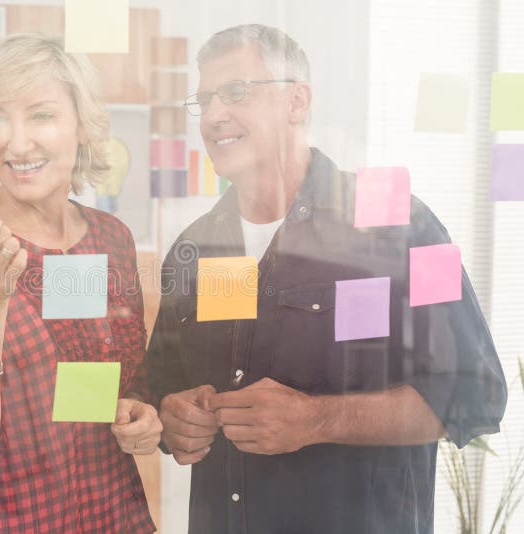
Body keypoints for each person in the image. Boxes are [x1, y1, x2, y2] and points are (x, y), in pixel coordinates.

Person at [144, 24, 507, 534]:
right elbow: (159, 392)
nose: (213, 116)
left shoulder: (404, 223)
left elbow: (476, 391)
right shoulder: (193, 250)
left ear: (297, 101)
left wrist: (316, 419)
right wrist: (172, 419)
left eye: (235, 93)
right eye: (204, 100)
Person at [0, 33, 161, 533]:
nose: (17, 142)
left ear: (82, 127)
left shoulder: (112, 239)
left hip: (115, 518)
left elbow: (124, 383)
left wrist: (140, 415)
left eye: (41, 115)